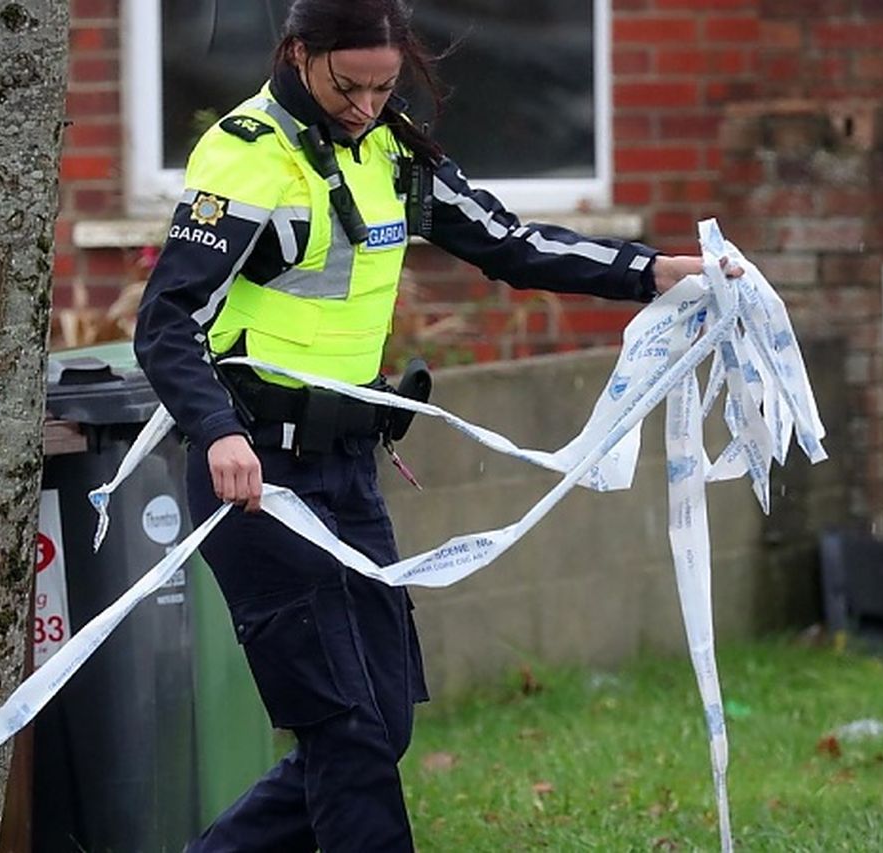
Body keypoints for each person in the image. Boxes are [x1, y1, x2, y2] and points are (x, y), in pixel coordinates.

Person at [134, 2, 727, 850]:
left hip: (346, 469)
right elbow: (166, 320)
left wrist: (654, 271)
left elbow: (508, 243)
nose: (366, 105)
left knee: (380, 724)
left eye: (384, 86)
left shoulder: (391, 150)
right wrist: (218, 429)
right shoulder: (248, 154)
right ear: (299, 55)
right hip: (258, 476)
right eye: (349, 86)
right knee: (347, 730)